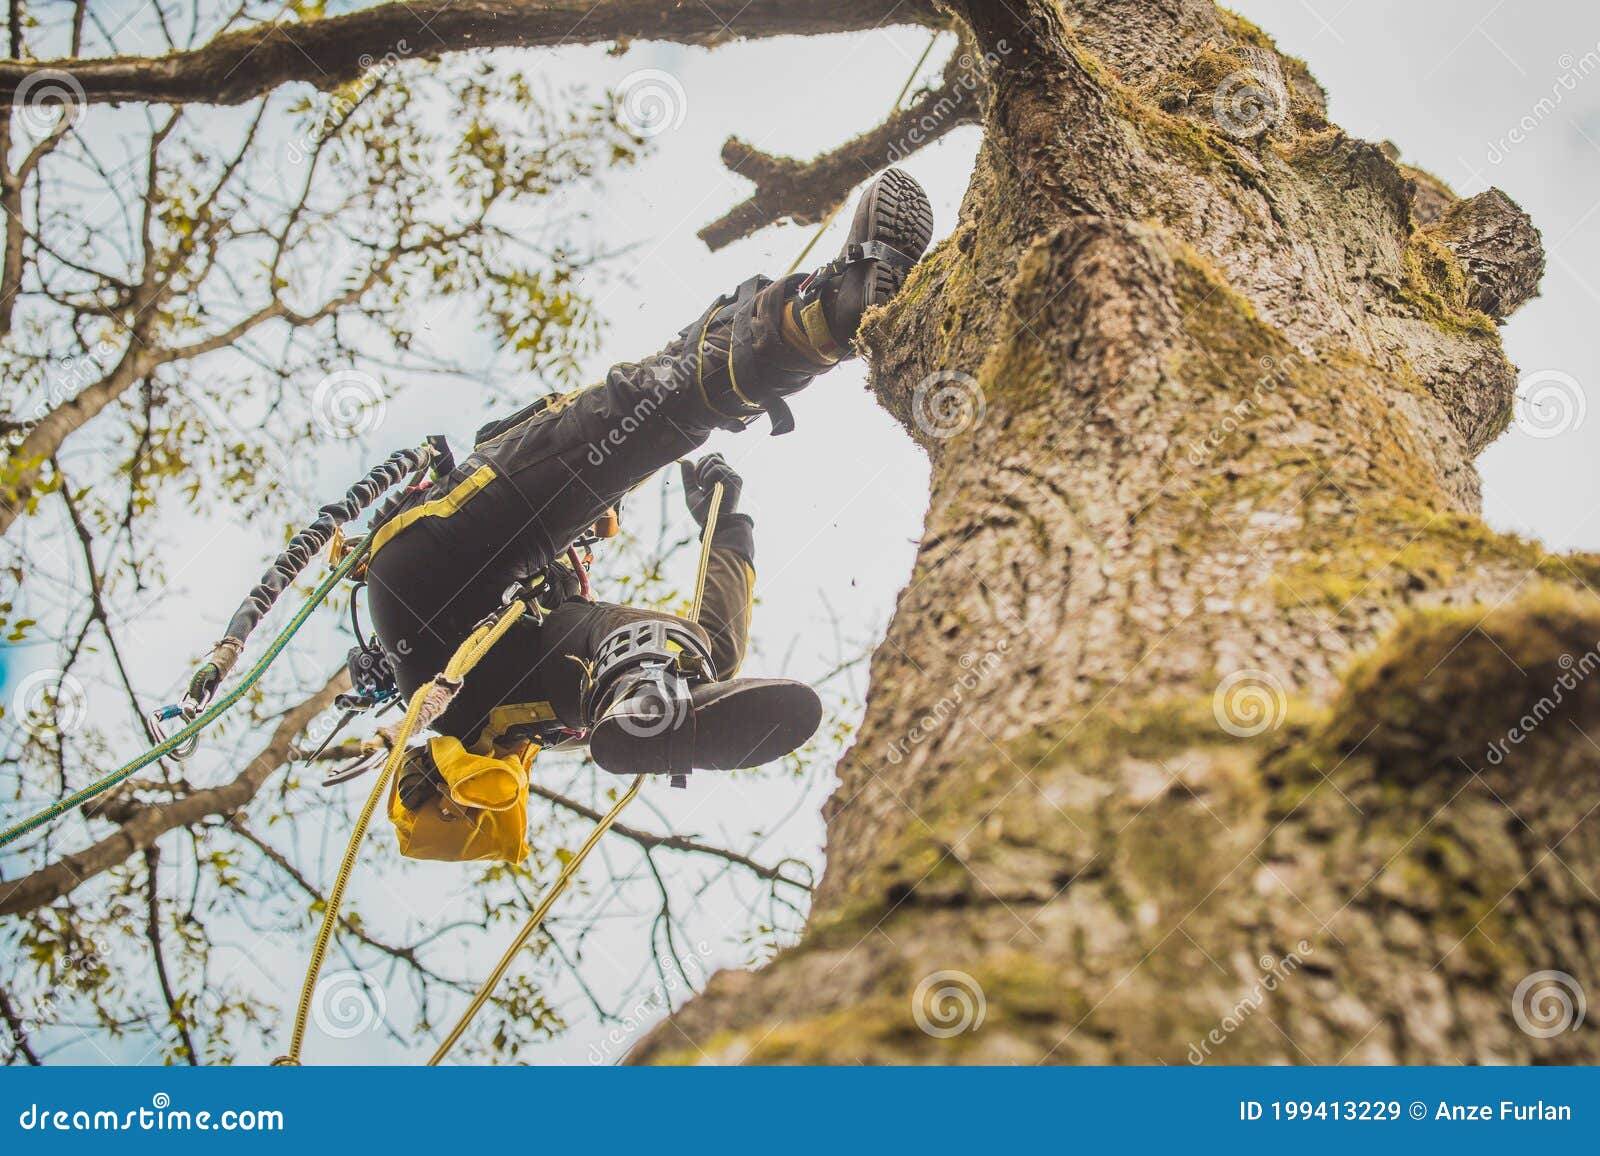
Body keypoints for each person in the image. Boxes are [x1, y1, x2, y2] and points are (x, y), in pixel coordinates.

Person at [358, 168, 934, 861]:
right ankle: (647, 694)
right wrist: (728, 526)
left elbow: (423, 757)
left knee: (636, 421)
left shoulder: (473, 714)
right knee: (697, 650)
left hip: (434, 587)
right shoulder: (511, 713)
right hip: (460, 644)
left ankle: (816, 319)